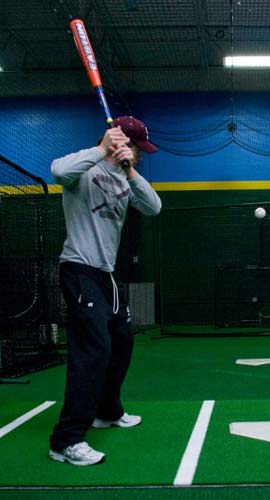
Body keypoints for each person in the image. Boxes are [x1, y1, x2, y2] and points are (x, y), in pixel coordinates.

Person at [49, 116, 162, 465]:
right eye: (135, 147)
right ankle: (66, 440)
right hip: (79, 268)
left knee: (122, 342)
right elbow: (56, 169)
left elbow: (154, 207)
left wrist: (128, 171)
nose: (139, 154)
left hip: (107, 275)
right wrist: (102, 148)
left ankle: (108, 410)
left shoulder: (125, 179)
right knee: (93, 350)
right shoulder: (82, 170)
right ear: (117, 140)